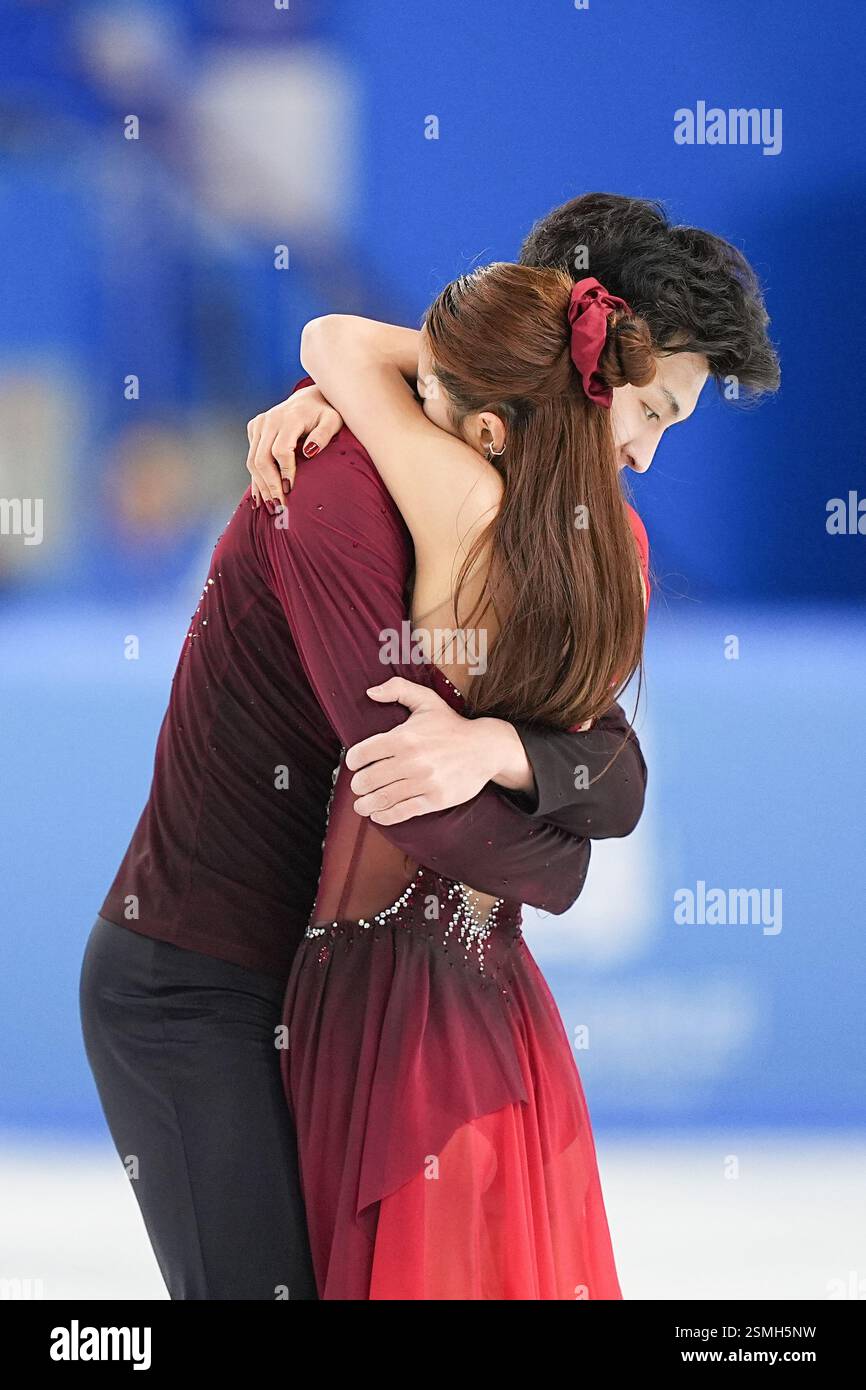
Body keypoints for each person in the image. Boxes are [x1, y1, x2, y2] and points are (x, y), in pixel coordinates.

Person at [79, 192, 779, 1302]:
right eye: (645, 409)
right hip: (200, 985)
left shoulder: (566, 530)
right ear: (581, 367)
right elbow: (421, 804)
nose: (641, 454)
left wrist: (502, 743)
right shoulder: (329, 484)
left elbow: (616, 768)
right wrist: (565, 854)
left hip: (347, 1002)